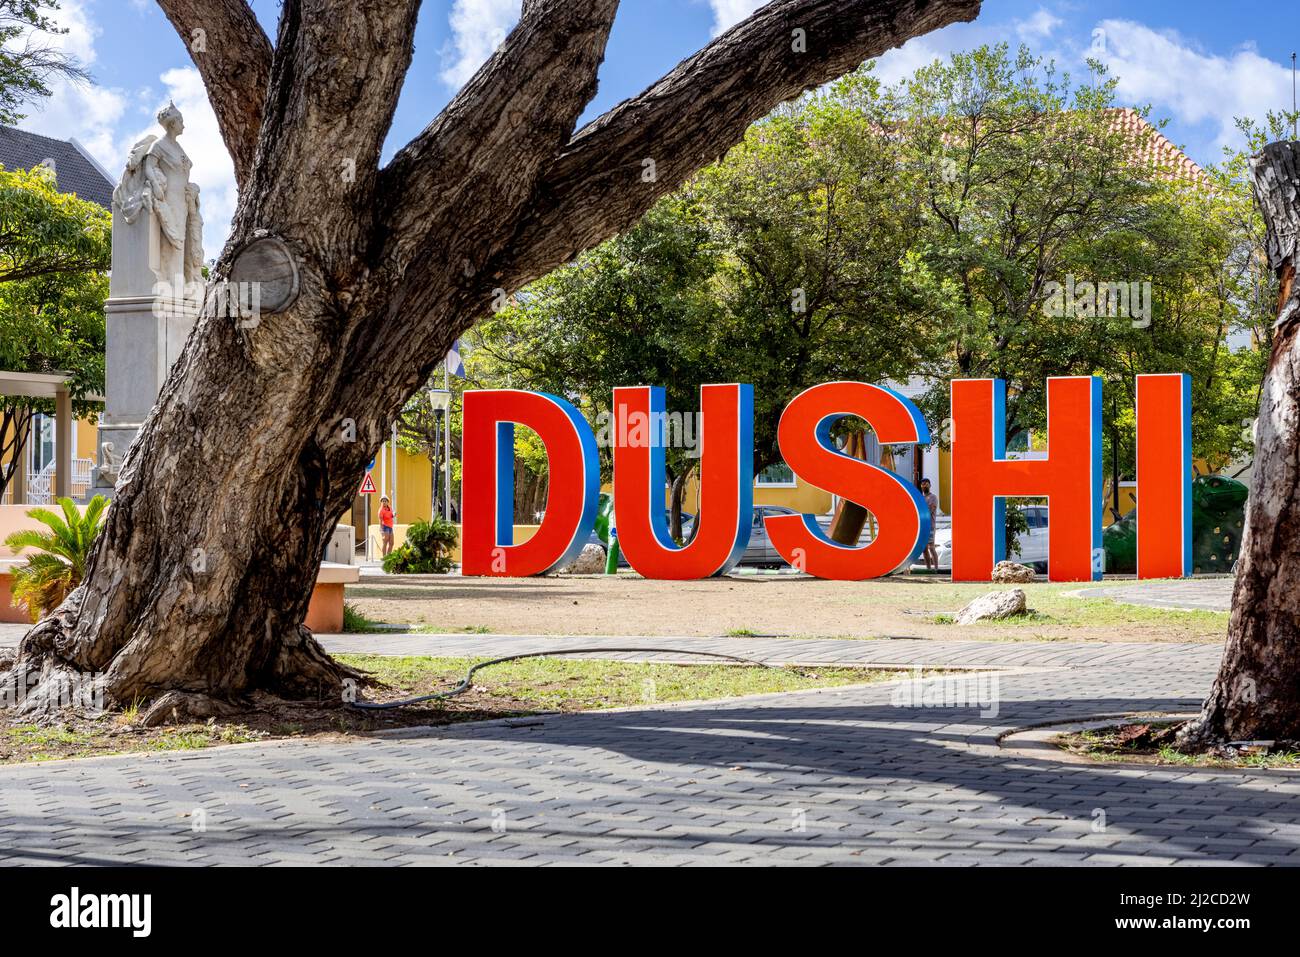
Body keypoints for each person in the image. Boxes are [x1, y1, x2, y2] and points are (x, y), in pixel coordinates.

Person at [919, 478, 940, 571]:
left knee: (931, 547)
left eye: (926, 484)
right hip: (922, 526)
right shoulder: (920, 498)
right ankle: (928, 569)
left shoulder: (933, 497)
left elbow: (930, 510)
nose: (924, 485)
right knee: (924, 549)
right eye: (923, 484)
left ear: (930, 485)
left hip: (930, 526)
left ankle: (936, 569)